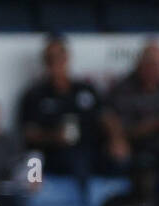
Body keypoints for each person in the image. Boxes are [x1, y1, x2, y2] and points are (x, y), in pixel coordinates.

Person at [18, 34, 103, 180]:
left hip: (86, 151)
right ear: (44, 61)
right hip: (49, 155)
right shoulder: (34, 95)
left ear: (67, 58)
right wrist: (53, 136)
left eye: (59, 57)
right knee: (33, 166)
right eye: (50, 58)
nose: (55, 63)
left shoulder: (85, 89)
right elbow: (27, 133)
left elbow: (105, 117)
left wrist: (116, 137)